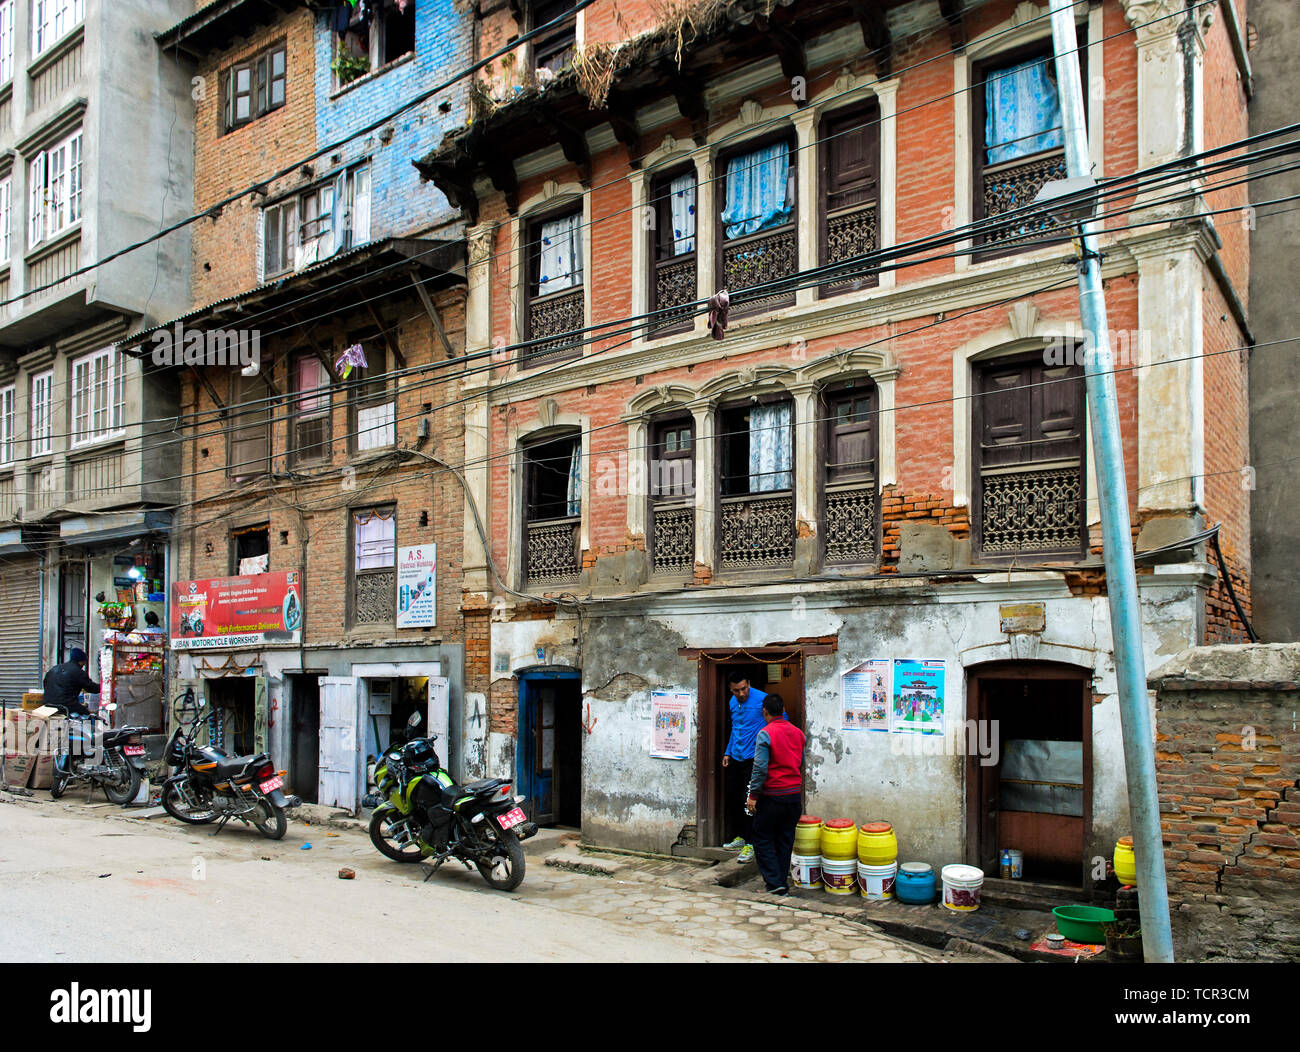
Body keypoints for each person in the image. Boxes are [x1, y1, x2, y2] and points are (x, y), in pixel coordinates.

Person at [745, 693, 806, 896]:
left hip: (773, 795)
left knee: (761, 837)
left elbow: (760, 767)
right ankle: (780, 882)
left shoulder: (765, 733)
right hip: (793, 797)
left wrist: (753, 795)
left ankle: (774, 882)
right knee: (785, 839)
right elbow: (801, 762)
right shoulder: (798, 734)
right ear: (784, 709)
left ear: (764, 711)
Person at [721, 672, 767, 863]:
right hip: (736, 757)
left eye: (743, 689)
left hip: (754, 759)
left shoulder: (763, 699)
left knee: (751, 803)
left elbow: (781, 722)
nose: (741, 693)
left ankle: (752, 843)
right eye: (736, 690)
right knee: (734, 798)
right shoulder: (732, 702)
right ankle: (740, 836)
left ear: (749, 683)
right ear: (731, 690)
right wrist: (727, 752)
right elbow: (736, 729)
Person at [42, 648, 101, 717]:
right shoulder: (78, 672)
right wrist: (104, 687)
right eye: (84, 662)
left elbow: (45, 683)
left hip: (48, 704)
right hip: (66, 706)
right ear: (81, 661)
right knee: (87, 715)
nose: (84, 665)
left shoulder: (54, 668)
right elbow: (91, 688)